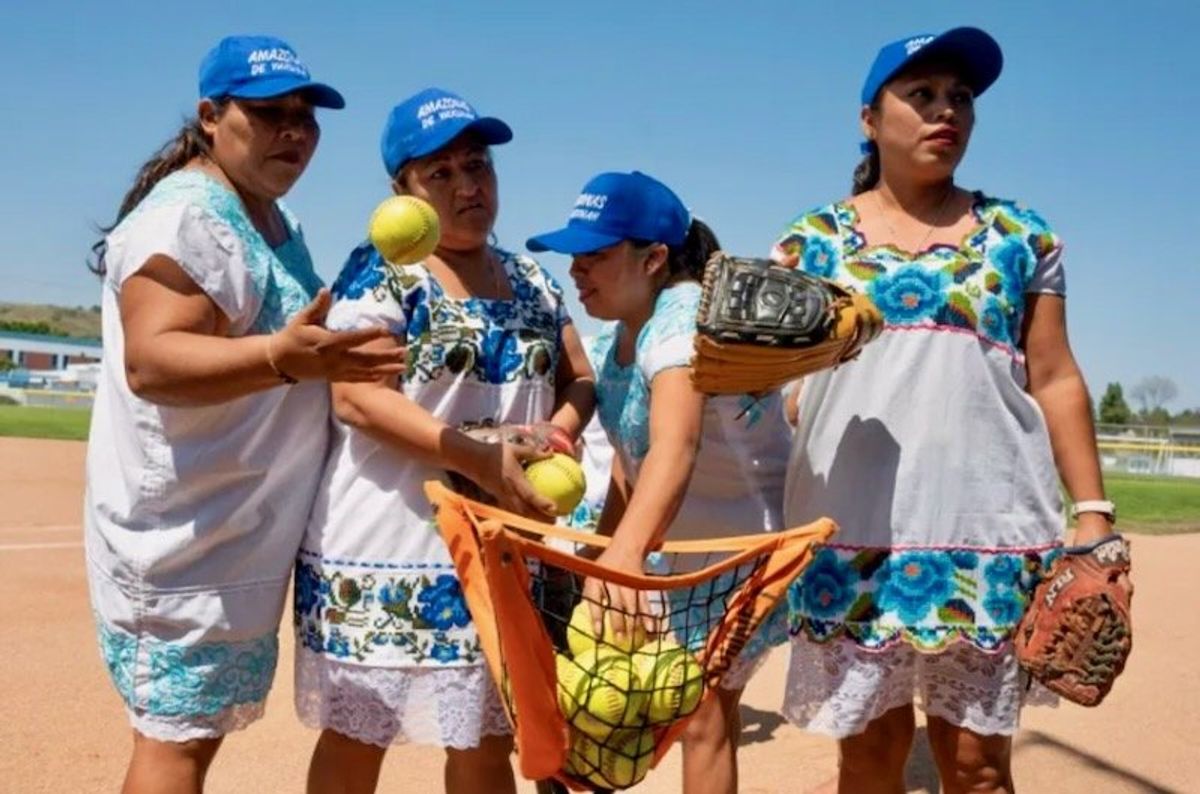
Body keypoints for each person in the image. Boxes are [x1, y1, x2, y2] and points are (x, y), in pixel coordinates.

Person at [770, 28, 1120, 794]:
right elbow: (776, 384)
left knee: (978, 770)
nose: (945, 112)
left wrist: (1092, 514)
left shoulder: (1022, 236)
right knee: (867, 760)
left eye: (959, 97)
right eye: (921, 95)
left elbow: (1055, 376)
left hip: (988, 534)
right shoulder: (811, 244)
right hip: (853, 536)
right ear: (870, 118)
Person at [84, 35, 405, 794]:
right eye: (269, 114)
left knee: (194, 740)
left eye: (306, 116)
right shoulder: (188, 218)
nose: (294, 131)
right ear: (209, 116)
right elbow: (152, 359)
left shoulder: (264, 217)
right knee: (175, 748)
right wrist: (284, 359)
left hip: (232, 537)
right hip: (184, 543)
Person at [294, 87, 595, 794]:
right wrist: (478, 458)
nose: (469, 186)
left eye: (478, 165)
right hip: (388, 547)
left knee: (488, 741)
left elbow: (579, 378)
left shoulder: (532, 280)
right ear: (403, 189)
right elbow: (356, 397)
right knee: (358, 738)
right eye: (443, 173)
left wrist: (557, 430)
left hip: (499, 548)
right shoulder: (381, 270)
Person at [527, 171, 792, 794]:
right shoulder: (617, 334)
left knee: (698, 716)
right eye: (575, 256)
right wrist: (600, 557)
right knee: (692, 711)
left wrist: (622, 560)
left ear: (653, 259)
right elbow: (629, 460)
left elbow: (677, 445)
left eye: (595, 254)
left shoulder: (679, 324)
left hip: (735, 549)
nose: (577, 271)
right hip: (677, 544)